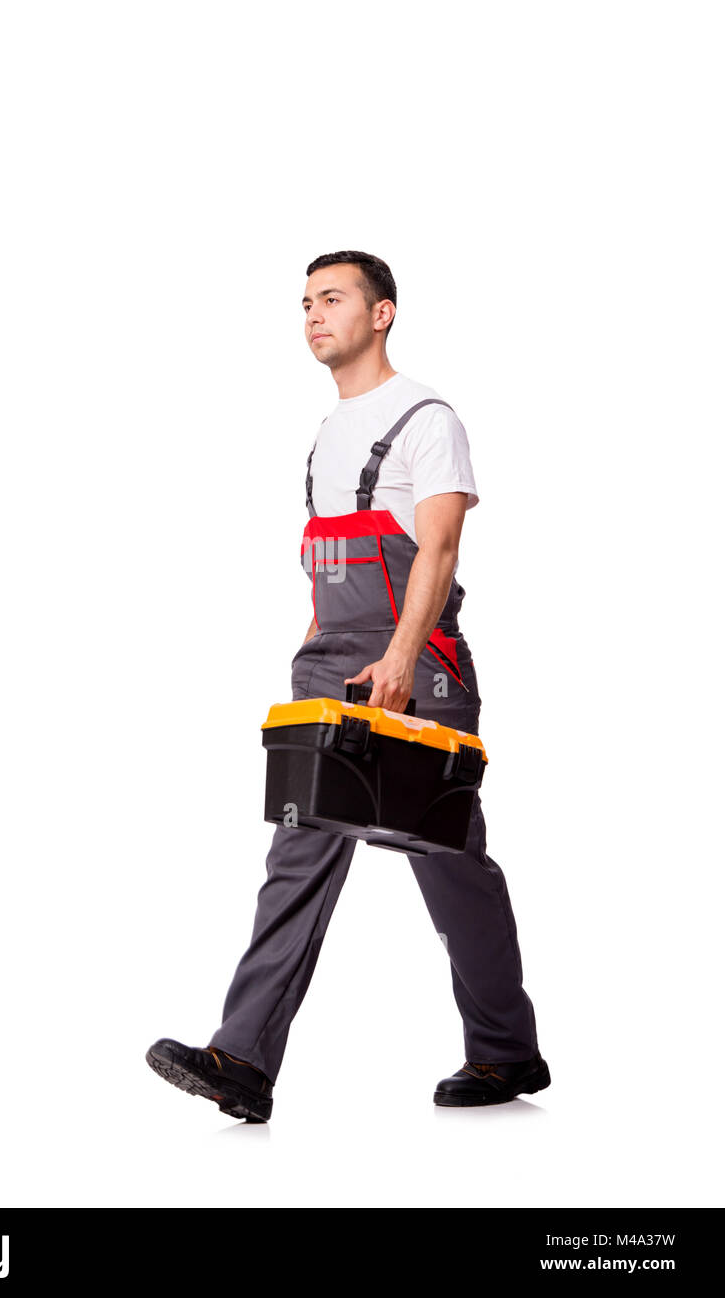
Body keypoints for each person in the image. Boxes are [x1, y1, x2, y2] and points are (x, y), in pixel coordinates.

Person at [146, 250, 549, 1121]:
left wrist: (400, 660)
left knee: (449, 864)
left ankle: (505, 1053)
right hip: (329, 665)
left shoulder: (425, 418)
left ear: (382, 313)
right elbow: (327, 558)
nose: (312, 315)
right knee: (296, 856)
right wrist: (310, 651)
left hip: (417, 666)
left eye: (331, 299)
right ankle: (242, 1062)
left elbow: (436, 551)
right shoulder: (327, 434)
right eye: (303, 303)